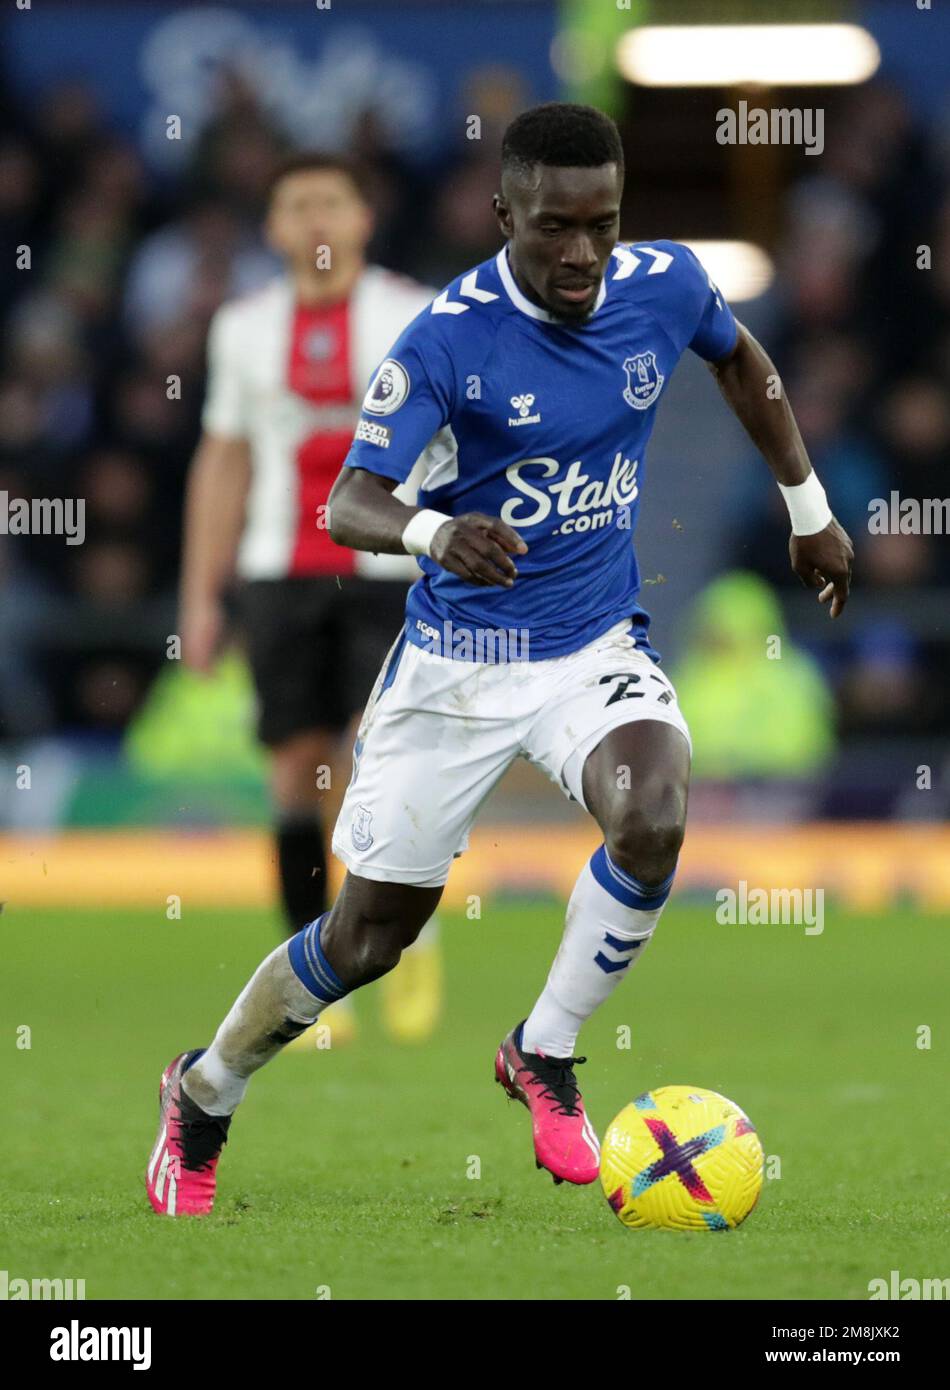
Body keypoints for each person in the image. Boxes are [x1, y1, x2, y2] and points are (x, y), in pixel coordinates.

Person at [147, 104, 853, 1216]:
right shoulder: (445, 338)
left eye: (601, 225)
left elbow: (742, 360)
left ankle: (543, 1049)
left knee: (655, 811)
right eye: (553, 228)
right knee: (367, 935)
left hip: (591, 645)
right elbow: (350, 502)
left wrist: (805, 505)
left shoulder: (661, 283)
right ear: (502, 215)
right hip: (456, 665)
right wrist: (434, 532)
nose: (580, 253)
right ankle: (205, 1088)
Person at [178, 152, 441, 1046]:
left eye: (334, 201)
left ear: (365, 218)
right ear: (274, 229)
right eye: (299, 206)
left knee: (381, 748)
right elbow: (224, 461)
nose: (318, 221)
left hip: (390, 565)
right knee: (295, 764)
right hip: (279, 567)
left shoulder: (413, 313)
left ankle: (416, 930)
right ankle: (310, 979)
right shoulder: (243, 329)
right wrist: (201, 598)